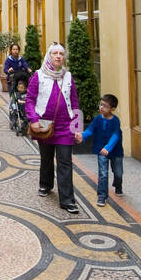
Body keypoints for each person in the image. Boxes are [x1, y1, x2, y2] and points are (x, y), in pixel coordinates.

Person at [25, 42, 83, 214]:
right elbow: (30, 99)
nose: (58, 56)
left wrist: (77, 128)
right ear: (49, 56)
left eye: (61, 53)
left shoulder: (68, 76)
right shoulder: (39, 75)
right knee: (47, 157)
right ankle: (45, 184)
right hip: (44, 124)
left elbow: (74, 103)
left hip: (65, 126)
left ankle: (67, 200)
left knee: (65, 161)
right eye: (55, 53)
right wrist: (33, 119)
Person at [85, 93, 124, 207]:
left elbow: (116, 135)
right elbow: (90, 130)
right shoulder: (97, 119)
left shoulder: (115, 120)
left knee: (118, 173)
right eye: (100, 104)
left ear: (112, 109)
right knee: (103, 173)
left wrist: (108, 147)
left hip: (115, 151)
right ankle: (102, 196)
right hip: (101, 150)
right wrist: (82, 136)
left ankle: (118, 185)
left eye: (105, 106)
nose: (101, 107)